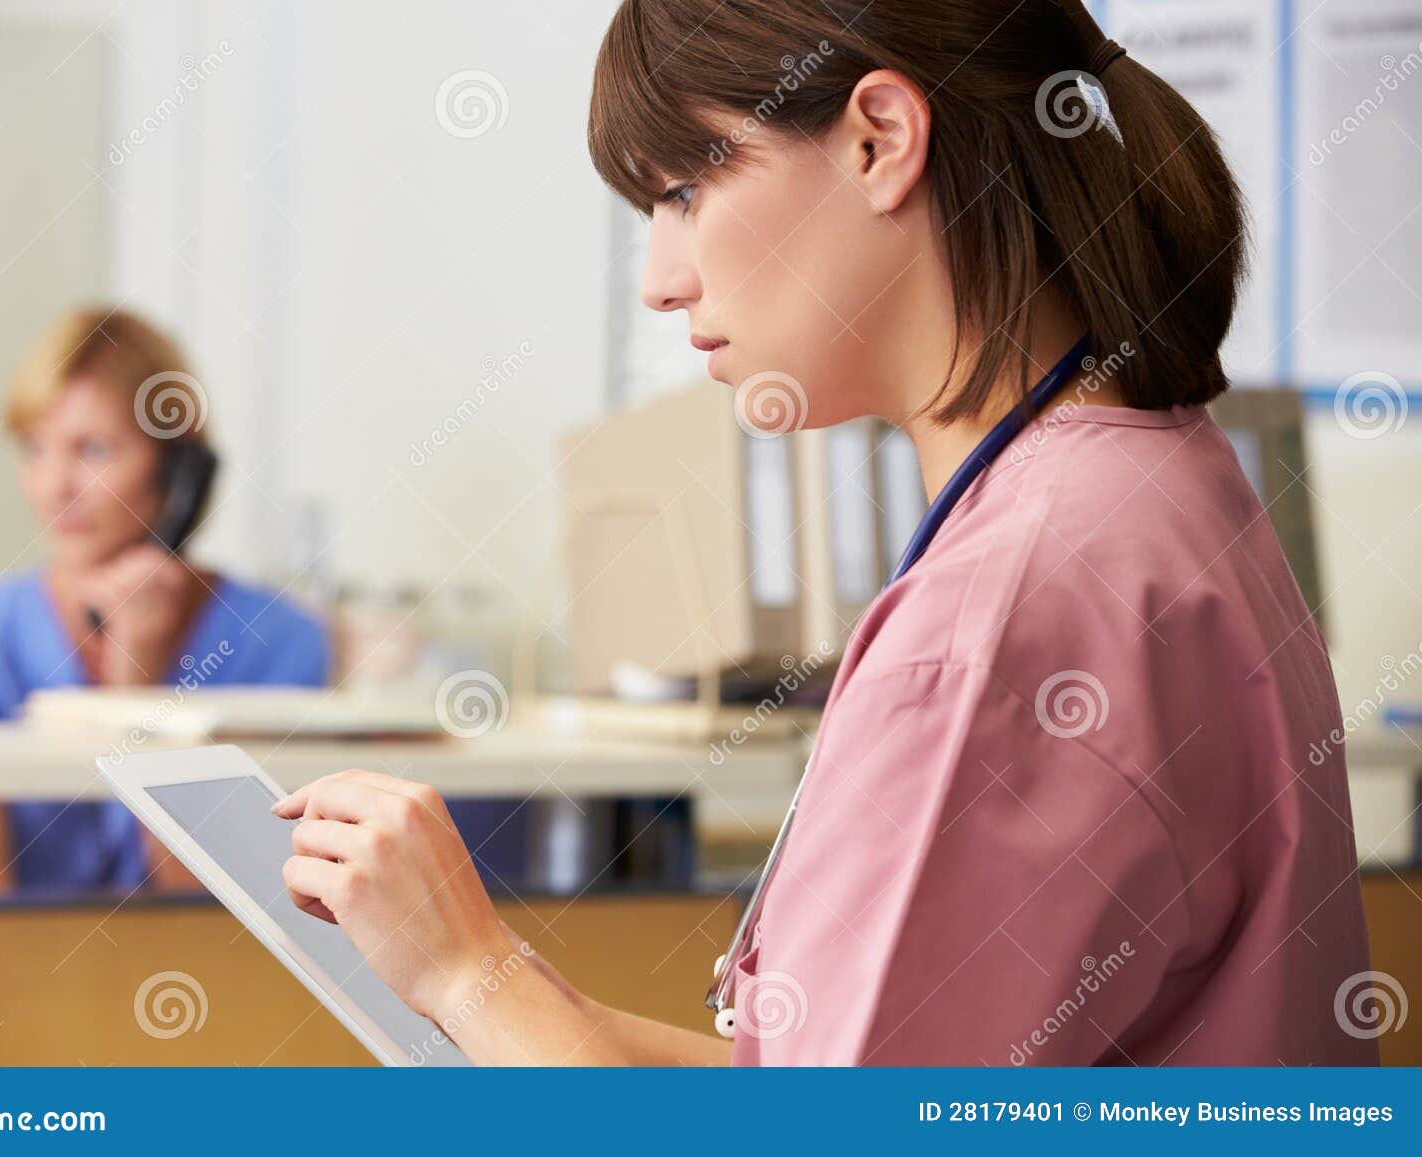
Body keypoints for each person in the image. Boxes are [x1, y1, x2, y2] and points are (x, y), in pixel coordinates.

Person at [272, 0, 1376, 1065]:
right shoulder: (1154, 480)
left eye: (689, 190)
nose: (662, 281)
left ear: (877, 141)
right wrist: (512, 994)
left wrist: (469, 974)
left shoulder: (997, 617)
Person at [0, 307, 328, 897]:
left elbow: (222, 905)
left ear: (179, 466)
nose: (54, 486)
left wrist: (137, 687)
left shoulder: (281, 640)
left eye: (93, 449)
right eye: (35, 448)